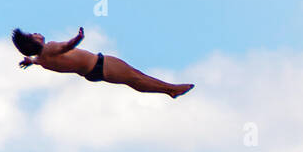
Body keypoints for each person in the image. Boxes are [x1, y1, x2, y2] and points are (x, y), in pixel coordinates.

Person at [12, 27, 193, 99]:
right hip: (100, 65)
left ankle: (170, 89)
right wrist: (78, 38)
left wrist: (30, 61)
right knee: (136, 78)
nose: (36, 33)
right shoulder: (50, 48)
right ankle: (171, 89)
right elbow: (65, 47)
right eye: (32, 35)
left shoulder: (42, 60)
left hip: (94, 72)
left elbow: (38, 59)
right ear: (33, 42)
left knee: (135, 78)